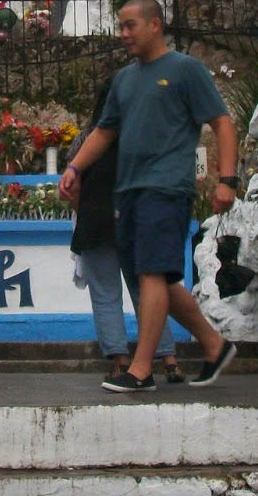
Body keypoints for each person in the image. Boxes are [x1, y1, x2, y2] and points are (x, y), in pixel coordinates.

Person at [58, 0, 240, 393]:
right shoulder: (124, 80)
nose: (123, 34)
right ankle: (214, 344)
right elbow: (104, 131)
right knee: (157, 278)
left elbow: (222, 124)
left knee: (152, 273)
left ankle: (140, 370)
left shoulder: (186, 69)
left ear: (155, 25)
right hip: (127, 192)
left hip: (167, 187)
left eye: (130, 25)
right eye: (120, 26)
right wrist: (74, 168)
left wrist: (227, 180)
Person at [68, 79, 185, 385]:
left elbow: (73, 187)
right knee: (148, 291)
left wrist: (82, 213)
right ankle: (169, 359)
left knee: (105, 294)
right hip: (136, 222)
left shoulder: (85, 140)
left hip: (96, 223)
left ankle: (120, 361)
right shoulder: (147, 138)